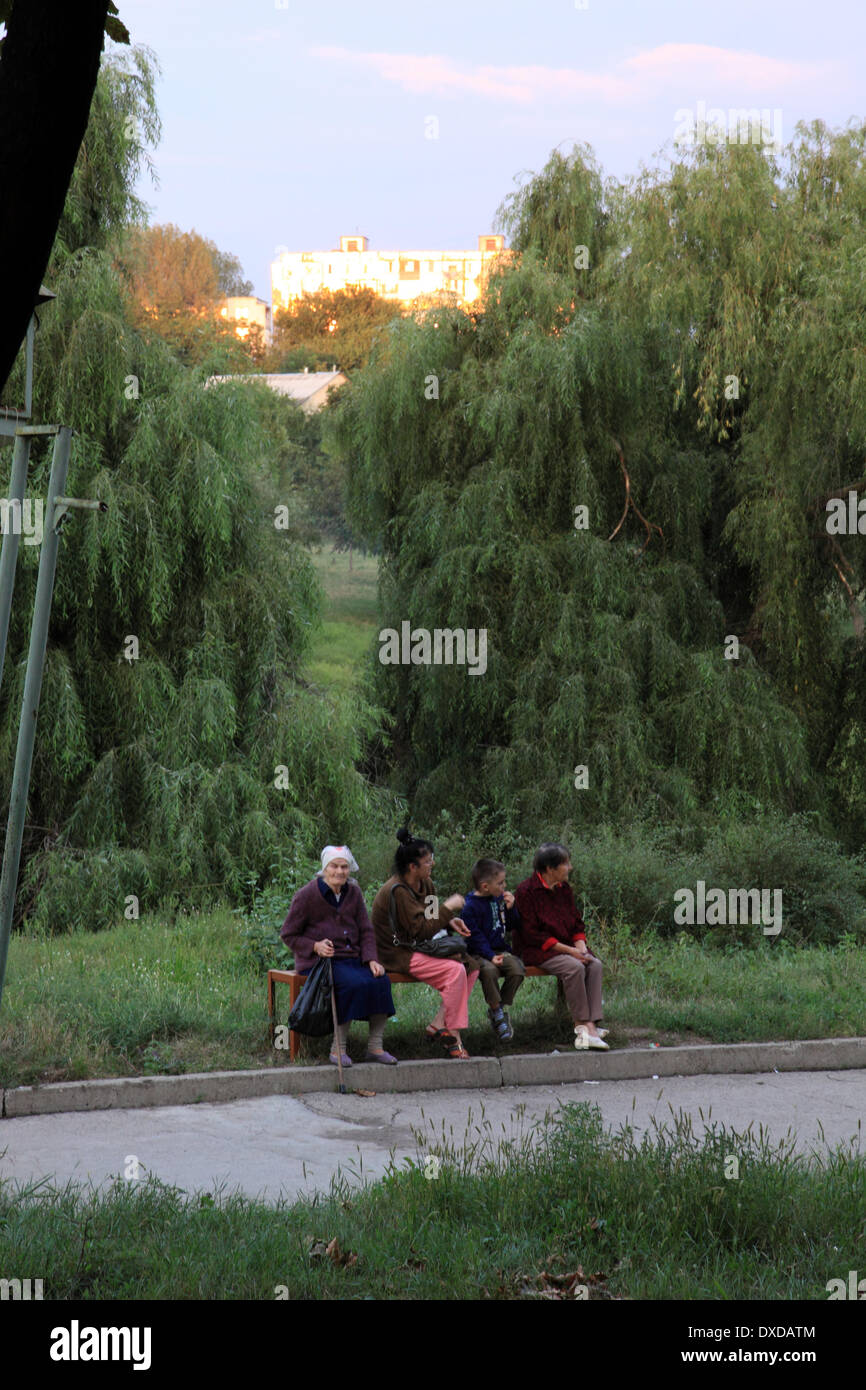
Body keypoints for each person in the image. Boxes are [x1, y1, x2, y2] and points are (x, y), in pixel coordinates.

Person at [280, 844, 397, 1066]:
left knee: (381, 980)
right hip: (319, 962)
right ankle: (337, 1050)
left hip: (351, 958)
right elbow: (288, 934)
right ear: (325, 868)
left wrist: (372, 959)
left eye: (344, 867)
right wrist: (315, 946)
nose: (340, 872)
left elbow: (365, 930)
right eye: (334, 866)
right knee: (350, 984)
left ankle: (375, 1047)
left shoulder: (353, 892)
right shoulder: (306, 895)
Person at [371, 828, 479, 1059]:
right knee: (454, 971)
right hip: (397, 952)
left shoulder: (426, 884)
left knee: (471, 966)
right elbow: (420, 931)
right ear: (413, 867)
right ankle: (454, 1033)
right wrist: (449, 907)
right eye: (427, 861)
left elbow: (431, 918)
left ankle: (439, 1023)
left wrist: (451, 922)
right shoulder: (397, 891)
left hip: (420, 945)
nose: (432, 864)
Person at [513, 843, 609, 1050]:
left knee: (594, 964)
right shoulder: (526, 891)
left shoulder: (564, 889)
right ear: (549, 868)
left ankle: (591, 1025)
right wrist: (571, 952)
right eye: (565, 864)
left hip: (566, 947)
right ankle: (583, 1027)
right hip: (538, 949)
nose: (570, 867)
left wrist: (581, 948)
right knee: (574, 967)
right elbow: (531, 934)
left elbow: (576, 923)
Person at [460, 858, 525, 1040]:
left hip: (499, 949)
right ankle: (497, 1013)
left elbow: (514, 925)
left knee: (518, 969)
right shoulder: (470, 907)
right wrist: (489, 956)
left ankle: (498, 1008)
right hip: (478, 953)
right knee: (489, 971)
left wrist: (512, 909)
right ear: (485, 886)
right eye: (500, 883)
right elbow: (474, 937)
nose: (504, 886)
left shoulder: (498, 899)